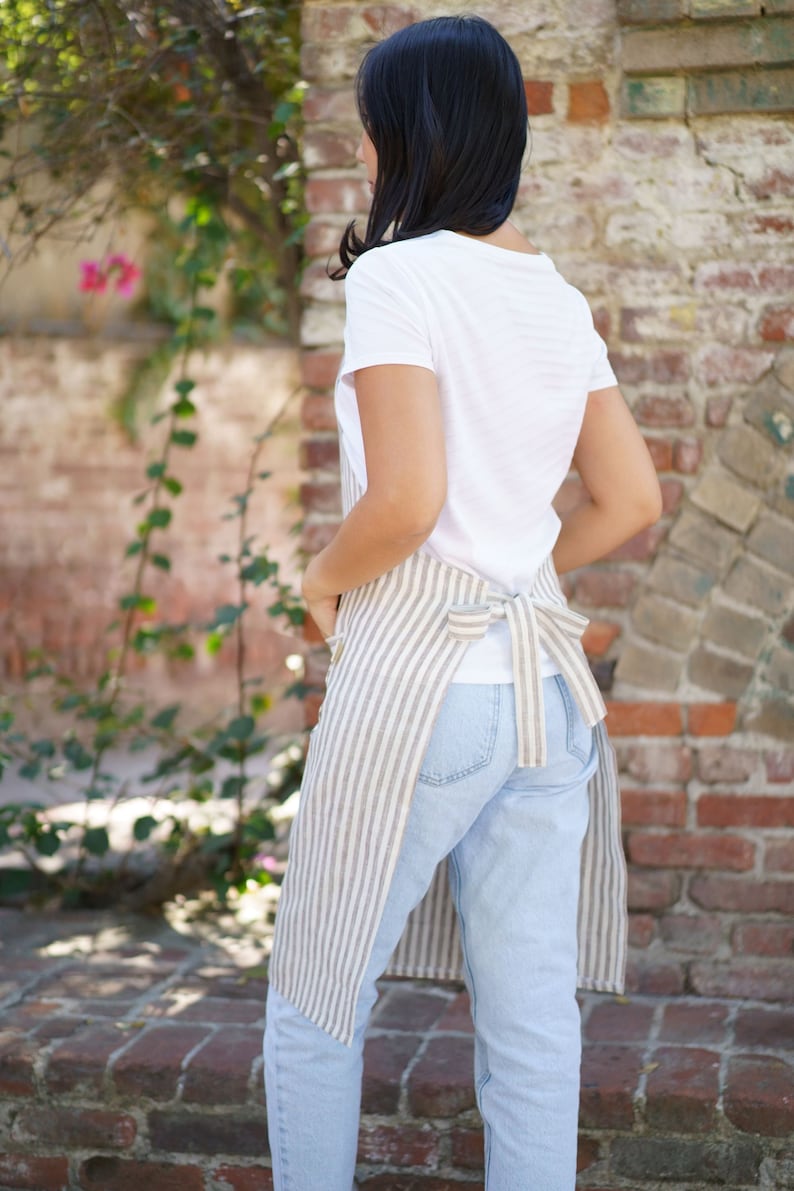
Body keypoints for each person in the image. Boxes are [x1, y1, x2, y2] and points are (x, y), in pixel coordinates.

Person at [263, 14, 662, 1191]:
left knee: (318, 993)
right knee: (532, 1017)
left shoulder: (397, 279)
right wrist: (519, 569)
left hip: (421, 698)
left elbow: (407, 500)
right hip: (544, 699)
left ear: (409, 135)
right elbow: (630, 499)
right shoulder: (552, 296)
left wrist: (318, 583)